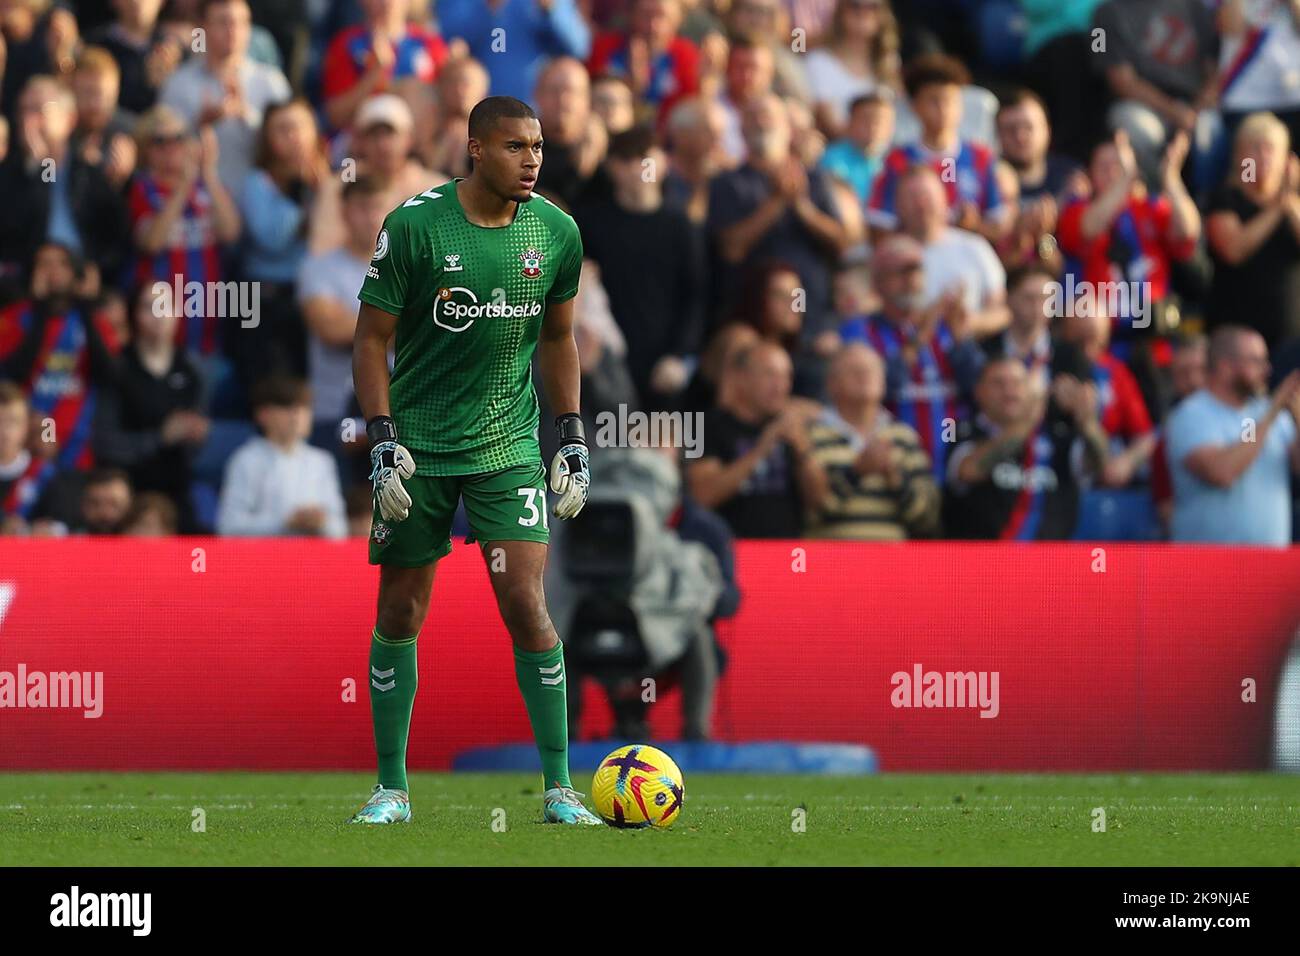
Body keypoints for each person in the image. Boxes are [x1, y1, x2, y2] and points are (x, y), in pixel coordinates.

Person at [350, 95, 600, 826]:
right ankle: (391, 788)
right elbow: (370, 341)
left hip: (506, 445)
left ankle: (559, 789)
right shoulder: (415, 226)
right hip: (419, 447)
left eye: (539, 147)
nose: (531, 160)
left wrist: (573, 436)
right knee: (401, 609)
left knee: (525, 602)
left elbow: (558, 340)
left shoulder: (556, 233)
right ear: (475, 149)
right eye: (516, 146)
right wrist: (382, 436)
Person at [574, 125, 703, 411]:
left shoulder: (681, 227)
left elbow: (696, 296)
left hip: (664, 367)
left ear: (664, 163)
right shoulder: (589, 223)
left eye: (644, 158)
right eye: (625, 160)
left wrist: (679, 355)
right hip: (606, 363)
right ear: (611, 168)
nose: (635, 168)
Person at [837, 235, 984, 482]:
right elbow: (883, 388)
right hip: (891, 472)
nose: (911, 281)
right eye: (901, 274)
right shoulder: (859, 331)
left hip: (952, 472)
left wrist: (962, 341)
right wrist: (919, 339)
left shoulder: (947, 328)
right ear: (878, 282)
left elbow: (978, 390)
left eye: (917, 272)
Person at [707, 92, 848, 338]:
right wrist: (776, 203)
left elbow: (841, 243)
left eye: (768, 116)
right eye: (752, 117)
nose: (761, 122)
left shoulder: (815, 179)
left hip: (812, 318)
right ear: (741, 129)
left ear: (788, 128)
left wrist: (803, 209)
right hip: (752, 322)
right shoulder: (726, 183)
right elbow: (730, 248)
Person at [944, 356, 1109, 540]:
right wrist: (1030, 419)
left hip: (1051, 563)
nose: (1009, 391)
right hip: (982, 563)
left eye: (1018, 383)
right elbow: (970, 470)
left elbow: (1100, 466)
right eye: (998, 383)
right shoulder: (960, 431)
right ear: (978, 391)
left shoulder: (1057, 435)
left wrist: (1088, 424)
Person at [1165, 326, 1300, 546]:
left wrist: (1298, 419)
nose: (1266, 370)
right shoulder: (1191, 414)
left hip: (1271, 568)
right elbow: (1223, 472)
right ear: (1226, 366)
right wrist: (1273, 410)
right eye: (1256, 361)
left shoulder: (1263, 413)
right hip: (1208, 568)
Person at [92, 283, 208, 532]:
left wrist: (197, 436)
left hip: (175, 491)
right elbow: (105, 443)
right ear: (133, 314)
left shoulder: (191, 368)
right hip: (126, 493)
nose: (159, 315)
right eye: (149, 307)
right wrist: (160, 438)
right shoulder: (117, 368)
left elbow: (193, 448)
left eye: (165, 306)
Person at [0, 74, 129, 298]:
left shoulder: (90, 173)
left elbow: (117, 237)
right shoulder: (9, 177)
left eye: (39, 111)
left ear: (68, 119)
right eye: (23, 111)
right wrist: (35, 171)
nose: (27, 121)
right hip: (28, 289)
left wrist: (95, 269)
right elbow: (13, 236)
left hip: (86, 283)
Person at [686, 340, 828, 538]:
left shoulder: (792, 427)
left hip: (787, 556)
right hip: (730, 553)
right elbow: (703, 495)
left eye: (786, 376)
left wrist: (802, 450)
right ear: (742, 378)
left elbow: (820, 502)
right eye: (770, 375)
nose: (780, 386)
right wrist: (761, 450)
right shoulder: (706, 426)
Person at [158, 0, 292, 203]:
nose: (233, 31)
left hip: (261, 206)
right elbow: (160, 151)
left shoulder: (271, 83)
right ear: (203, 27)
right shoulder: (178, 84)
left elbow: (293, 148)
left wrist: (246, 115)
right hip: (197, 209)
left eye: (241, 22)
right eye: (223, 22)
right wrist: (199, 126)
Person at [868, 53, 1007, 241]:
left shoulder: (980, 157)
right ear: (914, 106)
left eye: (950, 100)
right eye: (934, 100)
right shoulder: (898, 160)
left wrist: (975, 227)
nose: (943, 109)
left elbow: (999, 225)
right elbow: (880, 226)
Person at [807, 342, 939, 539]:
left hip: (891, 563)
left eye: (872, 370)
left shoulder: (904, 437)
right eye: (854, 371)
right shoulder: (810, 435)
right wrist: (856, 473)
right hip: (827, 563)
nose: (865, 376)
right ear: (831, 384)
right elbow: (810, 512)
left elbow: (927, 518)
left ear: (884, 381)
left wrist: (895, 478)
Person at [1205, 112, 1300, 350]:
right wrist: (1278, 207)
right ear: (1238, 157)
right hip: (1236, 342)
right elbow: (1234, 250)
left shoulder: (1293, 206)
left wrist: (1288, 203)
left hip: (1289, 343)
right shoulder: (1226, 200)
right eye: (1254, 149)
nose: (1263, 157)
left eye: (1271, 149)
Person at [215, 375, 347, 539]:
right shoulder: (246, 460)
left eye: (304, 407)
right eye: (287, 407)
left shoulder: (322, 462)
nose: (297, 415)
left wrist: (321, 523)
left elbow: (340, 529)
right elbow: (229, 527)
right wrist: (285, 523)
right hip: (264, 561)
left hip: (312, 561)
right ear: (263, 414)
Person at [895, 165, 1010, 337]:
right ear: (898, 206)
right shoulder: (890, 257)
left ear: (944, 200)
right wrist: (932, 317)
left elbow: (1001, 312)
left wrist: (970, 321)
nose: (921, 204)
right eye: (912, 197)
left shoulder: (975, 247)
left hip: (971, 351)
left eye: (927, 196)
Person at [319, 0, 448, 133]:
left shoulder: (431, 44)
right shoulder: (346, 44)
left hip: (420, 140)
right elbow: (335, 116)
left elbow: (445, 106)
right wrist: (373, 76)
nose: (387, 3)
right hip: (362, 141)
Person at [437, 0, 592, 103]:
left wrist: (550, 10)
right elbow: (447, 38)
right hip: (477, 111)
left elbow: (579, 47)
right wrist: (486, 8)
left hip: (534, 112)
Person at [586, 0, 700, 125]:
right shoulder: (604, 49)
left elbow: (687, 113)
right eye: (646, 15)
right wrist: (631, 85)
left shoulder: (686, 56)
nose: (653, 26)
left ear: (676, 20)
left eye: (661, 16)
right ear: (631, 14)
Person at [803, 0, 900, 140]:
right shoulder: (818, 61)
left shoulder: (889, 61)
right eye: (855, 5)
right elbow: (832, 125)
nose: (864, 12)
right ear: (841, 11)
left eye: (873, 7)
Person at [818, 90, 894, 204]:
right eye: (866, 119)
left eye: (880, 121)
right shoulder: (831, 160)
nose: (873, 126)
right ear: (850, 122)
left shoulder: (894, 163)